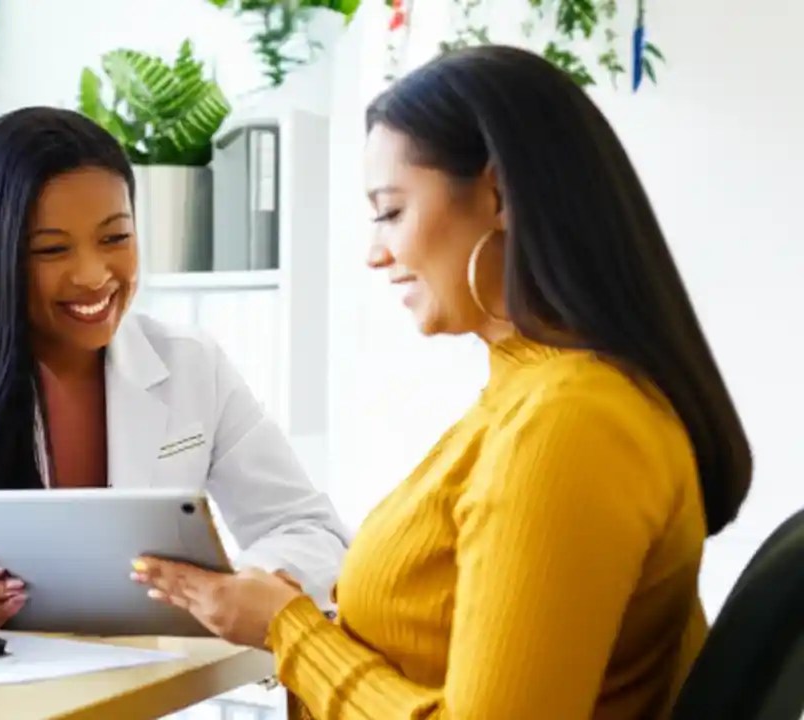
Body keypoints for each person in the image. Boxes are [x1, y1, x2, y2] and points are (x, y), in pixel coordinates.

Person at [133, 45, 753, 719]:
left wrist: (290, 631)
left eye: (391, 211)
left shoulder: (572, 422)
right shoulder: (538, 400)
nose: (376, 252)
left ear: (497, 196)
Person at [0, 106, 349, 634]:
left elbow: (312, 532)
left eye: (116, 238)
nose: (94, 275)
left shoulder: (192, 365)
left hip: (145, 689)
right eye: (52, 250)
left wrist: (250, 583)